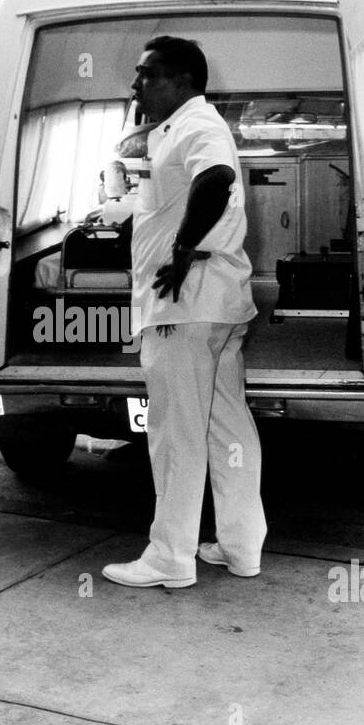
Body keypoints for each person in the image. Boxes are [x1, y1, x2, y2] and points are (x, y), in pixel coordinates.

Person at [102, 36, 267, 589]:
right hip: (213, 305)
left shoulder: (197, 125)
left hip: (184, 306)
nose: (135, 85)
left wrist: (179, 248)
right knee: (226, 429)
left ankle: (169, 557)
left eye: (145, 75)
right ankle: (241, 547)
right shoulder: (176, 129)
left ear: (180, 80)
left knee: (175, 432)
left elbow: (216, 180)